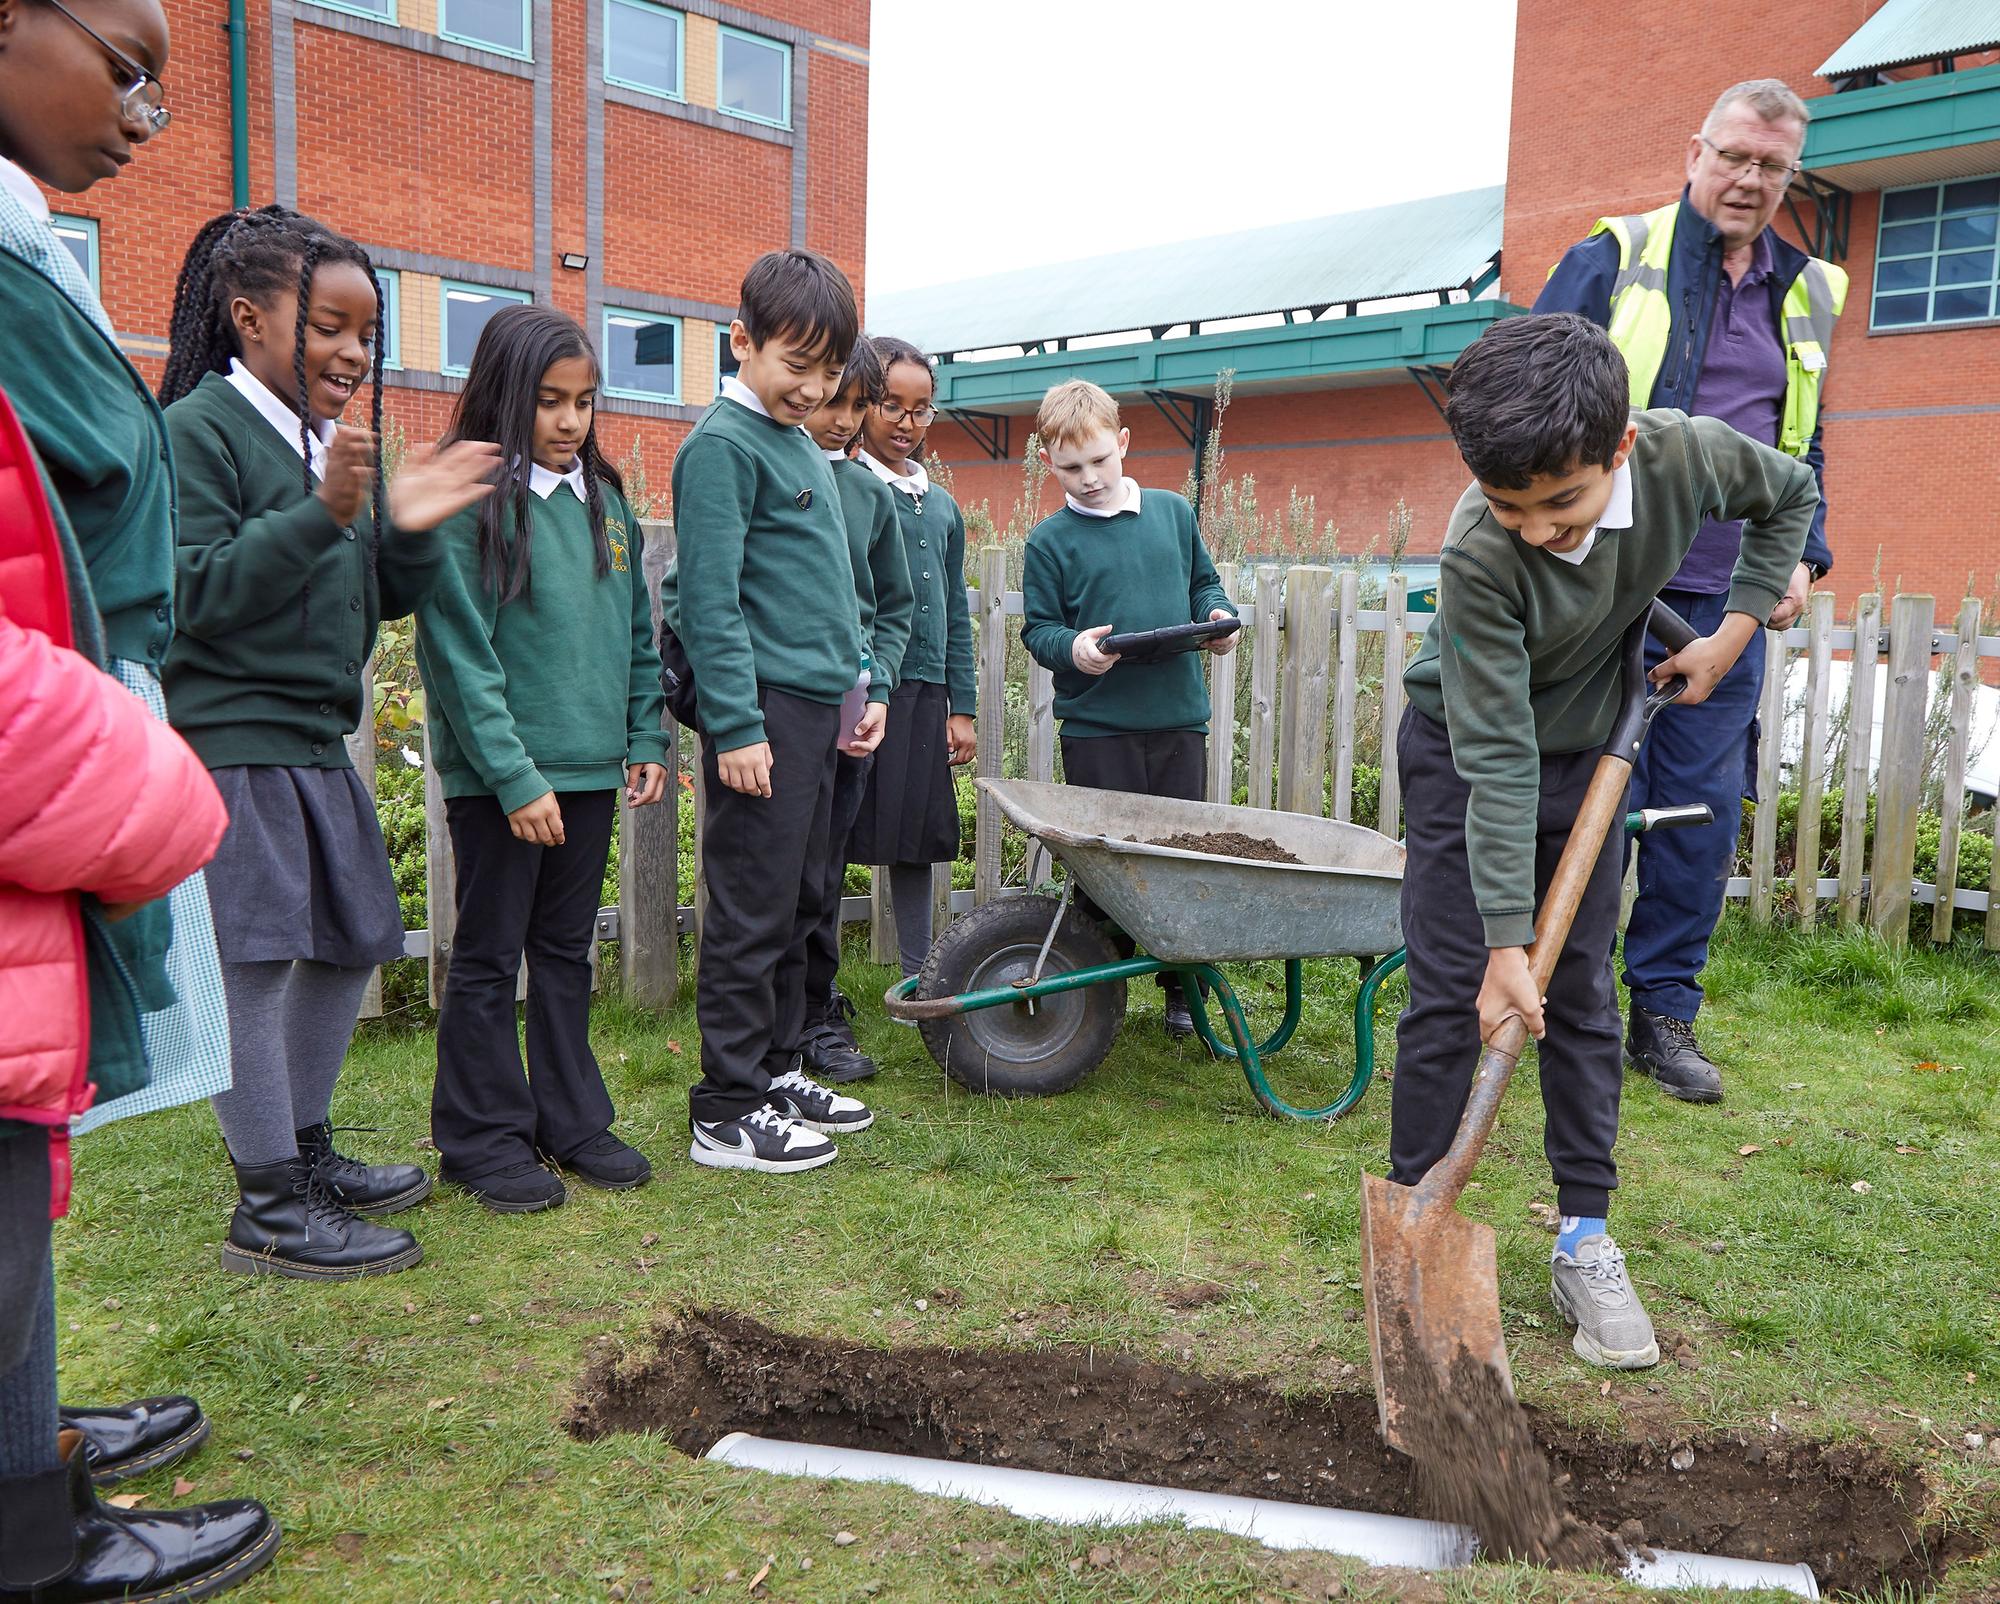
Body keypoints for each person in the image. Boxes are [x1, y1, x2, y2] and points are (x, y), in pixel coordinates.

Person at [1393, 313, 1815, 1370]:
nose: (1537, 530)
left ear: (1619, 448)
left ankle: (1583, 1233)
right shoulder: (1479, 553)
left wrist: (1731, 632)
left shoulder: (1682, 455)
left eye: (1562, 503)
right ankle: (1414, 1220)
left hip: (1589, 752)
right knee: (1451, 994)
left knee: (1578, 992)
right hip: (1465, 755)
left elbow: (1788, 494)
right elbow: (1495, 759)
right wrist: (1504, 944)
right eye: (1509, 506)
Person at [0, 2, 280, 1590]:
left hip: (62, 722)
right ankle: (31, 1531)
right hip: (40, 727)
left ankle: (28, 1428)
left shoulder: (25, 235)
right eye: (127, 64)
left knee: (32, 1114)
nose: (145, 113)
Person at [159, 204, 496, 1277]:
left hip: (315, 739)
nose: (354, 352)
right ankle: (267, 1206)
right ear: (248, 316)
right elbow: (194, 593)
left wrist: (408, 526)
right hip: (235, 741)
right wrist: (322, 511)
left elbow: (378, 593)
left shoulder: (327, 444)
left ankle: (303, 1154)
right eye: (328, 326)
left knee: (352, 942)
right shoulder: (201, 430)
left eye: (367, 333)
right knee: (254, 965)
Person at [1535, 78, 1847, 1104]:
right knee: (1578, 793)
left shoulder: (1806, 291)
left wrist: (1801, 554)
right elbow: (1521, 394)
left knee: (1696, 814)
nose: (1749, 179)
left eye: (1771, 165)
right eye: (1733, 156)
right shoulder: (1614, 258)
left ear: (1790, 174)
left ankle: (1663, 1017)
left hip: (1724, 603)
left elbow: (1802, 445)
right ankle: (1555, 997)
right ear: (1693, 152)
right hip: (1602, 585)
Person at [417, 305, 670, 1211]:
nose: (570, 421)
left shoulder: (607, 504)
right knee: (489, 957)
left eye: (584, 402)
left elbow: (635, 633)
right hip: (503, 783)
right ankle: (481, 1139)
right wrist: (514, 778)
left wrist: (645, 734)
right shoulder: (468, 502)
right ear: (506, 395)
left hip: (592, 771)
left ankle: (570, 1120)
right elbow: (458, 657)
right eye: (550, 402)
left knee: (564, 952)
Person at [661, 248, 878, 1172]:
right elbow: (709, 603)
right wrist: (737, 726)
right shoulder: (722, 447)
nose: (815, 389)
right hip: (764, 712)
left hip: (820, 709)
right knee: (752, 908)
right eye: (798, 365)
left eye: (829, 372)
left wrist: (859, 687)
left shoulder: (798, 443)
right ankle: (726, 1106)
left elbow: (828, 589)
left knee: (802, 898)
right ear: (741, 340)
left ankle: (779, 1067)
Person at [1019, 379, 1237, 1039]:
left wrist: (1218, 619)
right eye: (1070, 468)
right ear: (1047, 463)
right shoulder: (1049, 542)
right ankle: (1095, 997)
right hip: (1098, 731)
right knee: (1103, 871)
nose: (1088, 478)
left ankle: (1183, 993)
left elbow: (1205, 585)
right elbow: (1040, 631)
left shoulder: (1172, 513)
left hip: (1177, 722)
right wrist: (1074, 649)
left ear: (1123, 443)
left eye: (1098, 461)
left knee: (1181, 862)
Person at [796, 334, 913, 1084]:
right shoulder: (772, 472)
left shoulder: (871, 495)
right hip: (780, 708)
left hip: (850, 712)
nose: (843, 419)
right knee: (780, 876)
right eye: (834, 402)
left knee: (826, 870)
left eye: (857, 404)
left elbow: (894, 607)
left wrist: (882, 687)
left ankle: (817, 1015)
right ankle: (772, 1024)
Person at [845, 336, 976, 984]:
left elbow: (955, 611)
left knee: (917, 836)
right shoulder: (848, 488)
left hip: (926, 693)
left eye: (920, 409)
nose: (905, 421)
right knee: (839, 827)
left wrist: (963, 707)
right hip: (865, 688)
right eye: (891, 404)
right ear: (864, 402)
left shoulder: (943, 506)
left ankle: (920, 977)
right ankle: (815, 987)